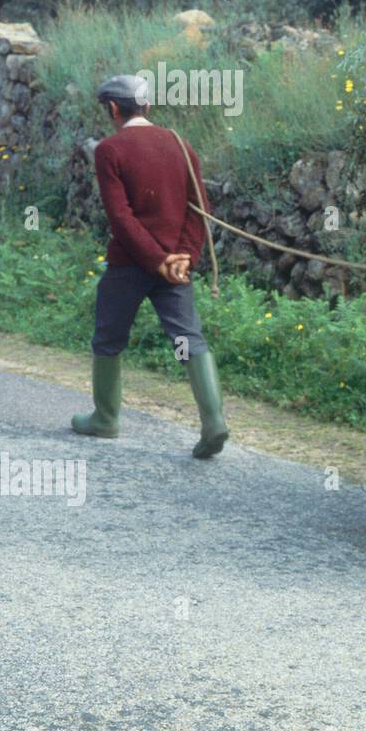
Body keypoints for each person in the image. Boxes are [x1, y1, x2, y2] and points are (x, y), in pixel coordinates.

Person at [71, 74, 229, 459]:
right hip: (175, 268)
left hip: (129, 266)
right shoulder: (180, 144)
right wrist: (183, 258)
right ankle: (213, 422)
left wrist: (156, 261)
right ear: (147, 106)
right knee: (184, 340)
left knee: (109, 339)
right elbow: (200, 209)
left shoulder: (110, 149)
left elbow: (120, 218)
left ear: (113, 109)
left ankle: (106, 419)